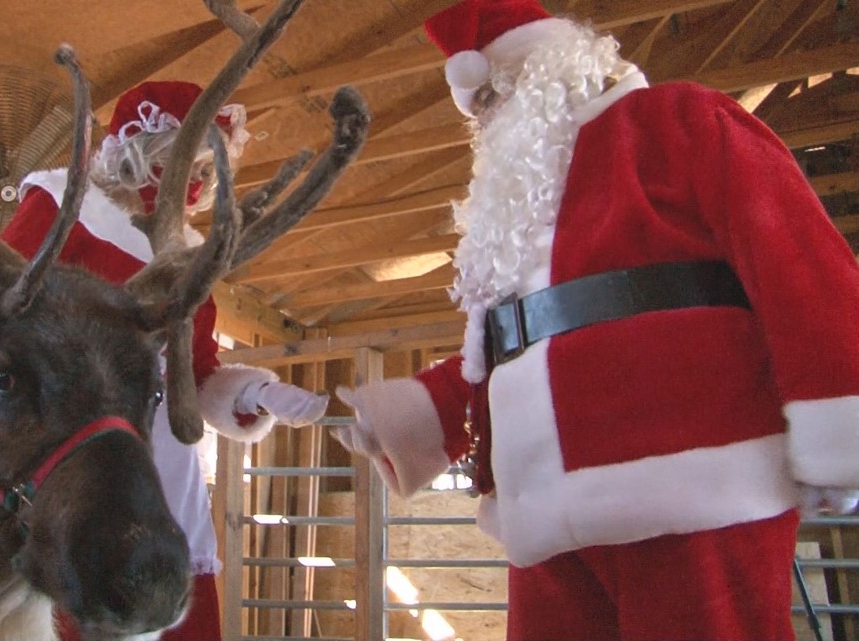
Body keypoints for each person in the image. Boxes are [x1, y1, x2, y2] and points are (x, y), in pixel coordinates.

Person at [332, 1, 859, 640]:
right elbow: (517, 345)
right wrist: (418, 413)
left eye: (497, 93)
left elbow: (798, 263)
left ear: (552, 64)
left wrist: (840, 431)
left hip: (693, 492)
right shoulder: (518, 216)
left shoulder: (679, 121)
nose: (488, 118)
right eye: (480, 108)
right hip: (544, 516)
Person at [0, 80, 329, 641]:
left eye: (212, 171)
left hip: (169, 489)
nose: (202, 184)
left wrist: (253, 393)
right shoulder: (64, 206)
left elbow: (196, 376)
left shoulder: (190, 263)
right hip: (75, 478)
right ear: (145, 150)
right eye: (194, 164)